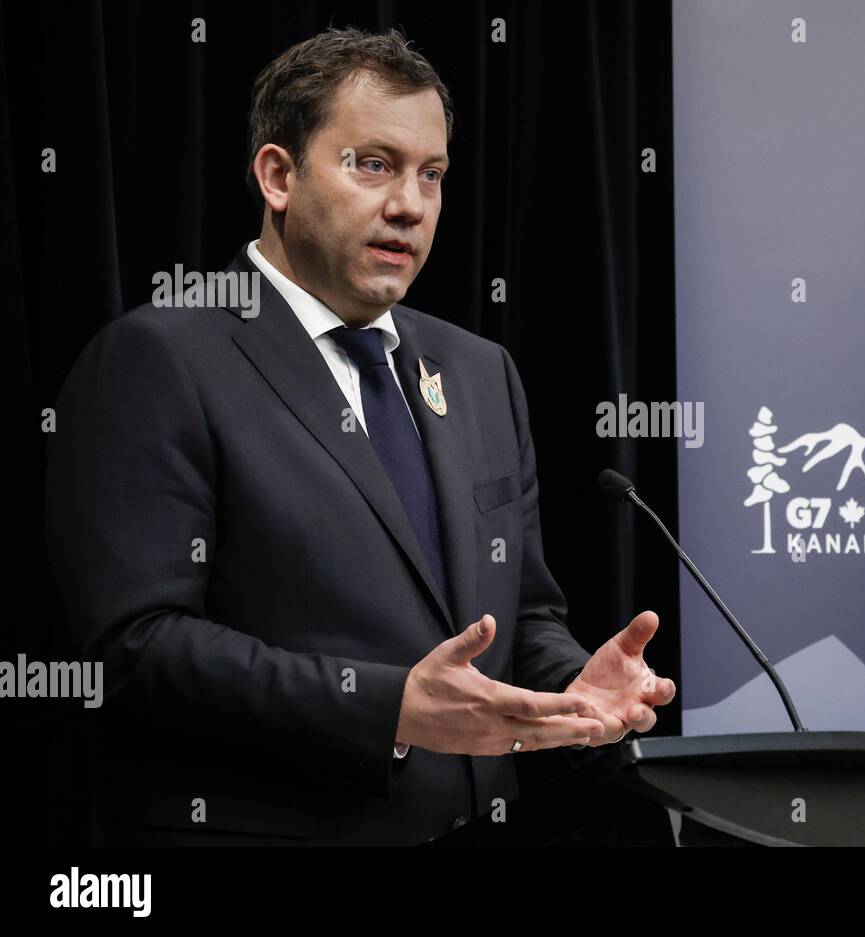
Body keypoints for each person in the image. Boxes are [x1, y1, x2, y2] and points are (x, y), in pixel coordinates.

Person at [44, 27, 674, 845]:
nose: (410, 203)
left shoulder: (481, 373)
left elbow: (522, 612)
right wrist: (386, 708)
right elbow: (132, 650)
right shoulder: (159, 359)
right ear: (278, 176)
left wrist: (568, 687)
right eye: (372, 164)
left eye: (432, 174)